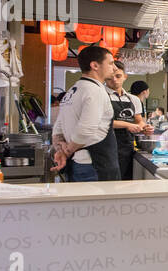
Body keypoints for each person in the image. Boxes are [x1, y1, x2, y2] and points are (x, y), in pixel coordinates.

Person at [50, 45, 119, 182]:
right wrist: (67, 152)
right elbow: (85, 130)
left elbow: (58, 129)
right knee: (98, 204)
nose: (115, 68)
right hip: (94, 165)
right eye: (111, 63)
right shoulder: (95, 91)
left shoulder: (72, 90)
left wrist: (60, 149)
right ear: (94, 65)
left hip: (77, 164)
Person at [107, 63, 147, 181]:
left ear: (125, 76)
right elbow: (101, 122)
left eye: (118, 76)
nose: (114, 80)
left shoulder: (133, 99)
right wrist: (128, 125)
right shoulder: (101, 96)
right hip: (106, 148)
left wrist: (144, 127)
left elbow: (139, 121)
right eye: (110, 77)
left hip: (127, 148)